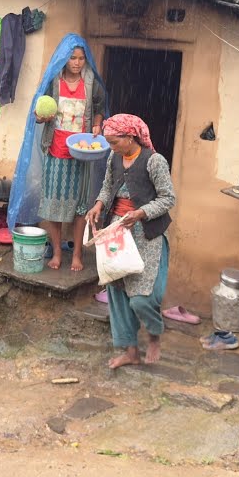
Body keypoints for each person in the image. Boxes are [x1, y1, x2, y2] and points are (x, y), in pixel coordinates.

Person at [85, 113, 175, 368]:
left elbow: (168, 198)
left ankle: (155, 334)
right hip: (118, 230)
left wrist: (141, 212)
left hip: (147, 234)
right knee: (118, 292)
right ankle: (131, 351)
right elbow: (107, 186)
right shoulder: (115, 157)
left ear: (130, 137)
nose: (111, 148)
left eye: (114, 142)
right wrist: (99, 205)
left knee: (141, 297)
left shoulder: (154, 161)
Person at [35, 46, 104, 271]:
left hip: (81, 152)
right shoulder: (54, 81)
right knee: (53, 204)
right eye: (72, 58)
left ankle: (77, 254)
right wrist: (40, 117)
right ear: (64, 60)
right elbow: (39, 111)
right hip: (55, 150)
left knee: (80, 207)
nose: (76, 62)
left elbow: (99, 106)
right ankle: (56, 252)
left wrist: (97, 123)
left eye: (81, 58)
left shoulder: (91, 82)